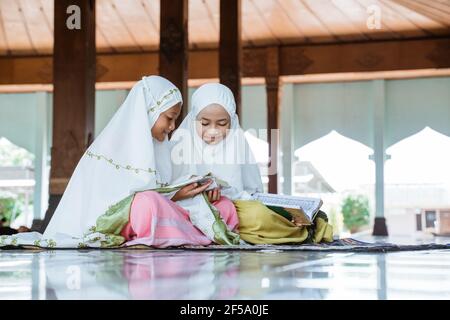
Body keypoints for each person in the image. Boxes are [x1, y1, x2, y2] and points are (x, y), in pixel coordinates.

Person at [170, 83, 333, 245]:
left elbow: (250, 190)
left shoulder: (236, 141)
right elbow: (166, 190)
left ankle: (307, 223)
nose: (213, 131)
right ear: (193, 119)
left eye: (222, 124)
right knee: (254, 219)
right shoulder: (180, 143)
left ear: (232, 121)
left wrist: (226, 193)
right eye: (204, 123)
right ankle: (302, 231)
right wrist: (194, 193)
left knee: (257, 214)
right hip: (191, 209)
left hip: (235, 207)